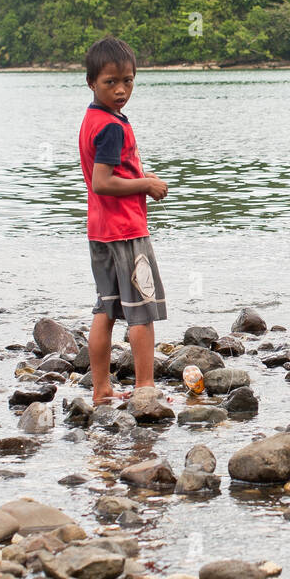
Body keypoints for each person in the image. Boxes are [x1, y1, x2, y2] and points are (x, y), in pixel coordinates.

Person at [78, 36, 169, 405]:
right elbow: (102, 182)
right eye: (110, 82)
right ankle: (145, 387)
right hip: (126, 231)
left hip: (99, 232)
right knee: (141, 310)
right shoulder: (112, 127)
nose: (120, 90)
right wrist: (146, 184)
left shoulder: (93, 118)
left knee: (106, 307)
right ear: (91, 83)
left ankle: (102, 390)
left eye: (128, 81)